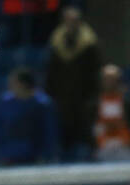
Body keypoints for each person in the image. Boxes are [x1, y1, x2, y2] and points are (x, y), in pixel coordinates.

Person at [45, 6, 102, 155]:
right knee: (65, 135)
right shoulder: (56, 42)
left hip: (85, 96)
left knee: (86, 133)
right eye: (68, 20)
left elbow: (95, 70)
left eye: (74, 20)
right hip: (63, 97)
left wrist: (94, 94)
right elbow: (51, 71)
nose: (71, 23)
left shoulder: (89, 43)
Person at [0, 68, 59, 166]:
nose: (9, 86)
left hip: (34, 158)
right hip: (8, 157)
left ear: (23, 84)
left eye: (13, 83)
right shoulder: (3, 104)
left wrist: (45, 155)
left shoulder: (43, 105)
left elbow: (50, 134)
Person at [91, 64, 130, 160]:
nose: (109, 82)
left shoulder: (128, 103)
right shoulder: (95, 104)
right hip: (103, 149)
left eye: (112, 79)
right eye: (106, 79)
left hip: (125, 148)